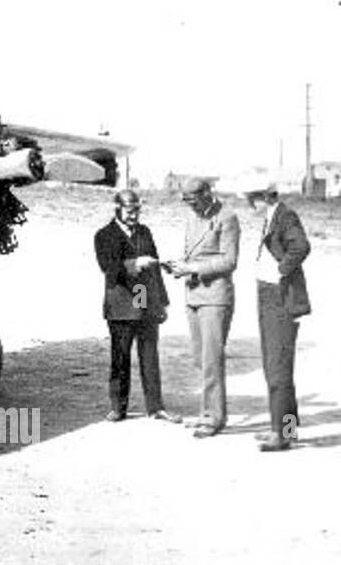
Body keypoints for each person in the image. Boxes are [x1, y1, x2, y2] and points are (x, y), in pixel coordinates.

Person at [93, 190, 177, 422]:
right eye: (130, 211)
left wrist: (161, 302)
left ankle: (156, 407)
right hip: (120, 305)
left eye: (137, 210)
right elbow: (109, 268)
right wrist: (135, 263)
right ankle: (118, 408)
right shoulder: (104, 235)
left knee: (150, 356)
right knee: (120, 358)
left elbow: (154, 270)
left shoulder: (145, 232)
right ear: (118, 209)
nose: (134, 215)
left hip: (144, 301)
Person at [165, 177, 239, 437]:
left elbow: (230, 261)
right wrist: (179, 266)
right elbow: (192, 254)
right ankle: (208, 410)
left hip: (216, 297)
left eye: (194, 201)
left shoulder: (227, 217)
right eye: (186, 202)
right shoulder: (191, 217)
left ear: (208, 193)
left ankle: (214, 417)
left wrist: (193, 268)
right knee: (199, 357)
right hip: (194, 294)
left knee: (211, 359)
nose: (191, 206)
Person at [243, 173, 310, 452]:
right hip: (269, 297)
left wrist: (281, 270)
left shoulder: (284, 216)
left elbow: (301, 246)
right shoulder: (274, 216)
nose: (249, 207)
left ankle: (280, 434)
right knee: (279, 367)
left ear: (262, 197)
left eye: (250, 201)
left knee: (277, 370)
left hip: (279, 299)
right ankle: (288, 430)